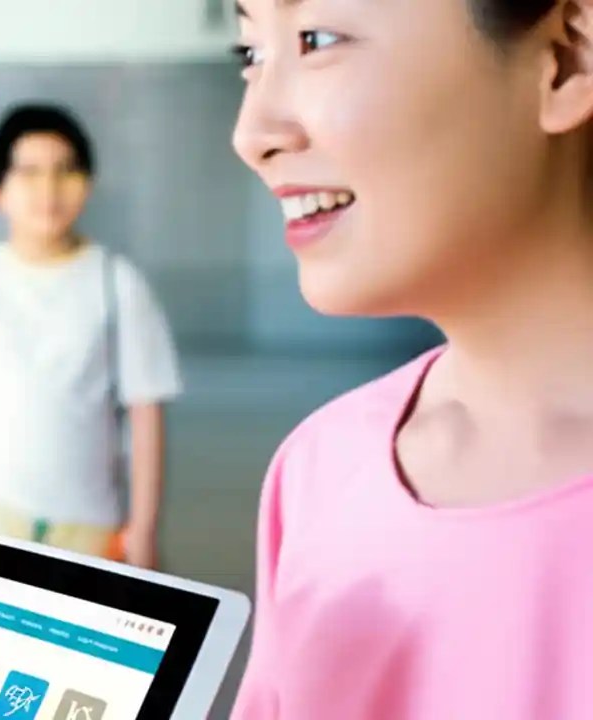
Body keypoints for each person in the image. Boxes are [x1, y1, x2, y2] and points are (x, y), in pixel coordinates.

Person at [230, 0, 593, 717]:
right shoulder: (318, 470)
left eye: (318, 39)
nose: (252, 134)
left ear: (566, 58)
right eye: (250, 54)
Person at [0, 104, 182, 568]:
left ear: (88, 183)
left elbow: (145, 414)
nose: (49, 189)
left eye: (65, 171)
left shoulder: (116, 283)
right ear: (0, 191)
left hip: (91, 526)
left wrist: (144, 528)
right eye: (29, 172)